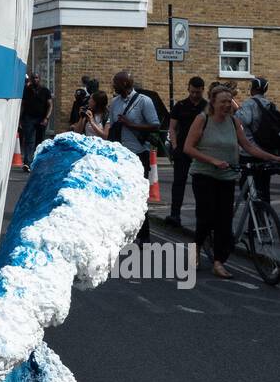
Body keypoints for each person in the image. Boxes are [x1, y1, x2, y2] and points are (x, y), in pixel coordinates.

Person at [184, 83, 280, 278]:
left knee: (224, 221)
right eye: (223, 102)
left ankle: (219, 262)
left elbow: (247, 146)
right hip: (204, 175)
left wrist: (273, 157)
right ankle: (195, 248)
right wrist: (213, 160)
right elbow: (188, 148)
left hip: (227, 176)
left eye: (229, 101)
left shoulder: (234, 122)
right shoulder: (203, 119)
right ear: (213, 102)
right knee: (206, 217)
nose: (227, 105)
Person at [98, 71, 160, 243]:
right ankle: (125, 234)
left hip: (139, 155)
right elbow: (112, 125)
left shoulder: (144, 101)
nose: (113, 85)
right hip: (121, 156)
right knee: (120, 196)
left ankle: (143, 236)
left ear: (125, 84)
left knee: (139, 197)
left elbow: (155, 125)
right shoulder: (115, 102)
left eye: (115, 82)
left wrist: (131, 124)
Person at [165, 76, 207, 226]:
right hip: (182, 149)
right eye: (192, 92)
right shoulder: (180, 105)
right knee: (179, 183)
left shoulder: (207, 107)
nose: (195, 95)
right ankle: (175, 215)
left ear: (203, 90)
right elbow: (172, 128)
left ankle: (201, 218)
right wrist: (175, 146)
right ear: (188, 89)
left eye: (198, 92)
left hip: (200, 151)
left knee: (200, 186)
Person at [235, 76, 279, 204]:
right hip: (266, 152)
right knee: (264, 189)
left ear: (252, 90)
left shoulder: (249, 104)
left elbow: (245, 120)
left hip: (249, 153)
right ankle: (267, 219)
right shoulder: (270, 105)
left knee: (249, 191)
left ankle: (254, 222)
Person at [19, 71, 53, 172]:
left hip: (41, 119)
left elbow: (50, 105)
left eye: (37, 78)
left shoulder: (45, 91)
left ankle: (37, 162)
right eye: (33, 78)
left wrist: (46, 118)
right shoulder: (27, 90)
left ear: (40, 79)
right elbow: (23, 105)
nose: (35, 80)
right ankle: (27, 162)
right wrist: (20, 119)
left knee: (39, 141)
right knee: (29, 140)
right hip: (28, 118)